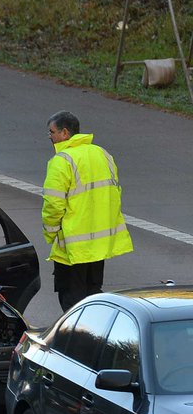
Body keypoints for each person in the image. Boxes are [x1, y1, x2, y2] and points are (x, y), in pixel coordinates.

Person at [42, 111, 133, 311]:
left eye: (52, 132)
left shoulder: (61, 161)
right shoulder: (103, 154)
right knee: (93, 296)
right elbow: (114, 193)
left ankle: (74, 340)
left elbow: (53, 204)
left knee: (71, 302)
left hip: (72, 247)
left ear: (65, 133)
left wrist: (51, 233)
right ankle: (95, 337)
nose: (50, 136)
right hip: (99, 244)